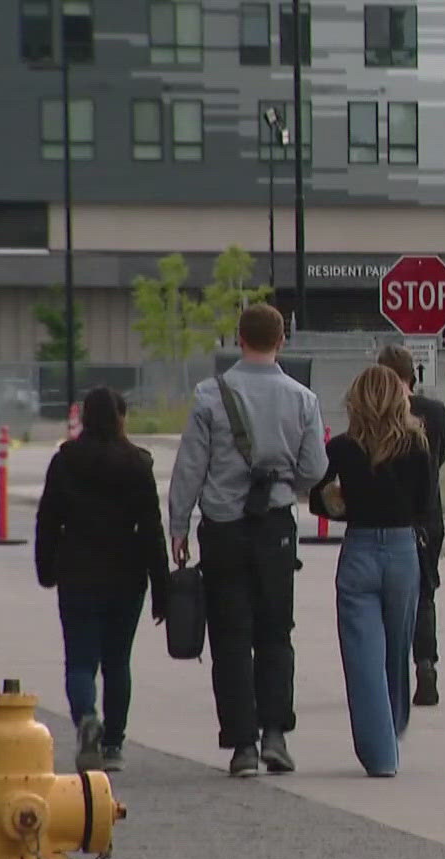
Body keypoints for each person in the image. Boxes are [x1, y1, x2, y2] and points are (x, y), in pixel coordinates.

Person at [169, 303, 327, 777]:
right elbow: (316, 469)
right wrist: (287, 486)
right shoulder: (303, 399)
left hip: (223, 530)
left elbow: (190, 468)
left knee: (231, 637)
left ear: (239, 339)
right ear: (281, 341)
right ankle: (276, 733)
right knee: (276, 633)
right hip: (275, 529)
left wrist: (178, 525)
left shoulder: (209, 396)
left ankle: (242, 745)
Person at [310, 366, 442, 777]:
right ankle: (394, 721)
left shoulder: (342, 447)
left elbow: (317, 496)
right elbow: (425, 504)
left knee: (362, 654)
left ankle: (380, 752)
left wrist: (339, 500)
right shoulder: (418, 447)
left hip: (360, 549)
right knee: (396, 647)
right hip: (403, 551)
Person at [34, 386, 169, 773]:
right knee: (117, 662)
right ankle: (112, 744)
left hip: (77, 572)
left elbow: (48, 519)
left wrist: (46, 568)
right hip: (127, 576)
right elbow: (151, 529)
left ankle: (86, 718)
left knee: (79, 660)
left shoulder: (65, 461)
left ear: (85, 418)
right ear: (119, 418)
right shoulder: (137, 463)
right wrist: (162, 588)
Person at [373, 344, 445, 707]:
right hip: (428, 515)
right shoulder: (435, 413)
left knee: (382, 599)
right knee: (424, 593)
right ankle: (425, 663)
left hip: (384, 516)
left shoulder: (374, 414)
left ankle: (387, 673)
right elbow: (441, 456)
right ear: (411, 375)